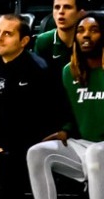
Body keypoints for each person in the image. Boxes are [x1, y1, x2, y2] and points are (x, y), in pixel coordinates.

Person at [0, 14, 70, 198]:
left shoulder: (39, 70)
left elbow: (44, 121)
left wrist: (6, 146)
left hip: (37, 143)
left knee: (6, 162)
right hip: (6, 147)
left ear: (24, 41)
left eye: (7, 33)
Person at [26, 14, 104, 199]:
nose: (86, 35)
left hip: (99, 148)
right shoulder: (69, 72)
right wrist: (66, 130)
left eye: (94, 30)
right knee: (37, 152)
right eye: (81, 31)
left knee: (95, 153)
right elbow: (68, 110)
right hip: (84, 144)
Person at [34, 0, 85, 68]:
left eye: (67, 7)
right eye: (57, 7)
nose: (61, 12)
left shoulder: (87, 40)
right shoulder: (43, 41)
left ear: (81, 13)